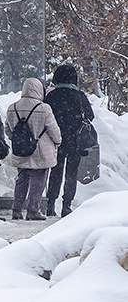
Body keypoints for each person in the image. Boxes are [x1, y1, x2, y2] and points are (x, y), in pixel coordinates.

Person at [5, 78, 62, 221]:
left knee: (22, 179)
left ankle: (16, 210)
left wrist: (20, 140)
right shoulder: (44, 108)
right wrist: (57, 141)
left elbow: (8, 130)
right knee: (38, 181)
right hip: (41, 151)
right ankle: (33, 210)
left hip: (21, 150)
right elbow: (53, 130)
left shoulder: (12, 107)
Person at [45, 64, 94, 217]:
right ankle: (66, 205)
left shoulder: (51, 96)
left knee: (55, 172)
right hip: (75, 141)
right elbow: (90, 116)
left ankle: (50, 203)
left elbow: (45, 116)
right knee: (71, 174)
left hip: (56, 140)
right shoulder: (79, 96)